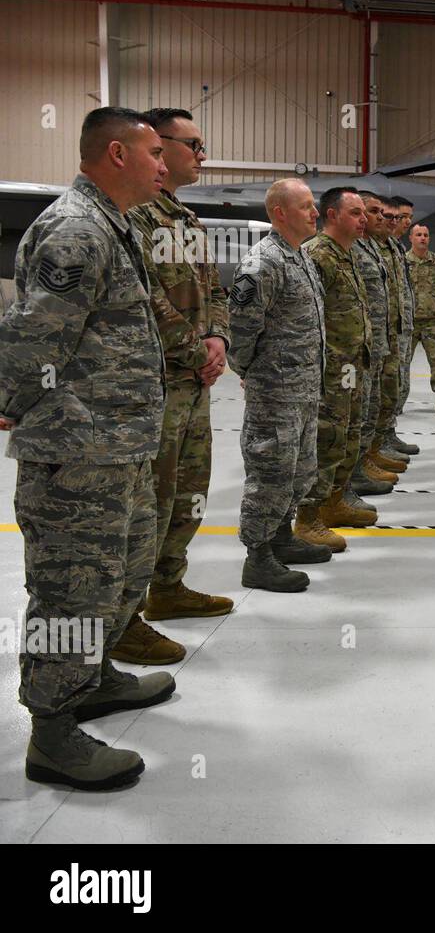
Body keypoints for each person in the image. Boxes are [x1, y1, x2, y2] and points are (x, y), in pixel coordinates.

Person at [1, 107, 172, 790]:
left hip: (115, 446)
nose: (166, 163)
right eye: (155, 151)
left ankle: (94, 678)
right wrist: (12, 404)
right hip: (76, 452)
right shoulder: (76, 228)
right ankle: (52, 733)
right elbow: (34, 337)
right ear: (116, 153)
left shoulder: (112, 224)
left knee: (116, 577)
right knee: (68, 594)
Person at [113, 108, 231, 667]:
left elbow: (216, 292)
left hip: (193, 383)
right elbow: (143, 297)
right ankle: (127, 618)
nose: (200, 155)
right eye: (192, 145)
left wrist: (219, 340)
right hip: (158, 384)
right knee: (149, 504)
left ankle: (168, 586)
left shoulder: (186, 220)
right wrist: (194, 349)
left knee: (187, 494)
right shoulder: (135, 219)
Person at [228, 179, 330, 591]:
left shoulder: (300, 257)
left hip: (304, 391)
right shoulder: (262, 262)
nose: (315, 213)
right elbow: (241, 331)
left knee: (299, 472)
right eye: (306, 206)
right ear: (280, 213)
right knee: (269, 473)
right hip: (275, 392)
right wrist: (254, 374)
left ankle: (281, 536)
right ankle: (258, 557)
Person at [296, 187, 373, 552]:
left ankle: (333, 502)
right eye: (356, 213)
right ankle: (308, 517)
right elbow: (306, 318)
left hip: (352, 367)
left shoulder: (347, 254)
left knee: (347, 437)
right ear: (332, 215)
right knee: (326, 441)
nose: (364, 219)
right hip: (329, 370)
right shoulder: (316, 255)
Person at [349, 192, 401, 494]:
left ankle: (365, 461)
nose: (381, 218)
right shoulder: (347, 250)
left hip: (376, 344)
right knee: (354, 418)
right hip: (354, 352)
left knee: (371, 408)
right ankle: (351, 475)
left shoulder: (370, 247)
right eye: (374, 212)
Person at [380, 196, 419, 458]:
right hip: (386, 332)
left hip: (401, 328)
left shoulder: (394, 246)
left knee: (398, 386)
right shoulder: (376, 247)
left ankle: (387, 434)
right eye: (399, 216)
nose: (404, 222)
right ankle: (378, 443)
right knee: (386, 388)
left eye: (406, 218)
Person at [405, 223, 435, 416]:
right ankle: (397, 401)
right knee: (402, 362)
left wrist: (434, 304)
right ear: (411, 238)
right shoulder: (402, 261)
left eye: (425, 235)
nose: (422, 238)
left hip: (433, 321)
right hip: (409, 321)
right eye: (418, 234)